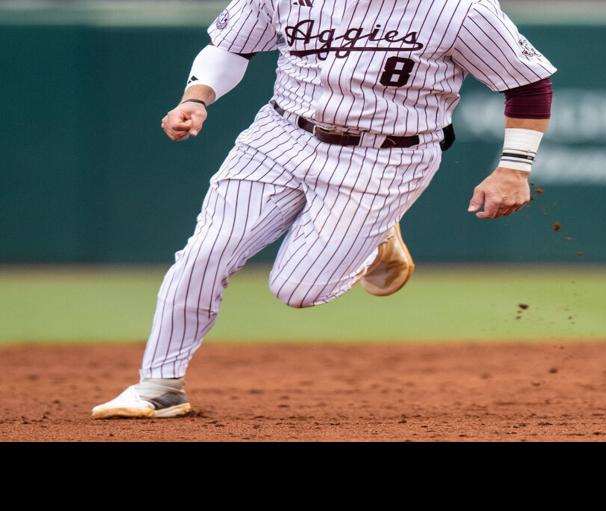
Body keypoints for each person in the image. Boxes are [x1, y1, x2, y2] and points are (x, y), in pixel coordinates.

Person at [92, 0, 555, 419]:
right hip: (279, 136)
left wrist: (514, 168)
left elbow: (528, 83)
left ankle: (373, 245)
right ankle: (160, 385)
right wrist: (196, 98)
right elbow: (231, 47)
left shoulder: (458, 10)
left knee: (298, 290)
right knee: (206, 251)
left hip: (386, 155)